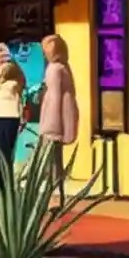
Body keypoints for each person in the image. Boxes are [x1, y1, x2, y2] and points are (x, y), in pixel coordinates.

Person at [38, 34, 79, 207]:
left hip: (54, 123)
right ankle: (58, 197)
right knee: (57, 162)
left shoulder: (54, 69)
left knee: (51, 164)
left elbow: (55, 97)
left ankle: (54, 199)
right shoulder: (64, 67)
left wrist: (50, 126)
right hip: (62, 120)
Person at [0, 43, 25, 162]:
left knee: (8, 152)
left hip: (11, 116)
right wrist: (0, 73)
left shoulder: (15, 79)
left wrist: (11, 59)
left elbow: (21, 85)